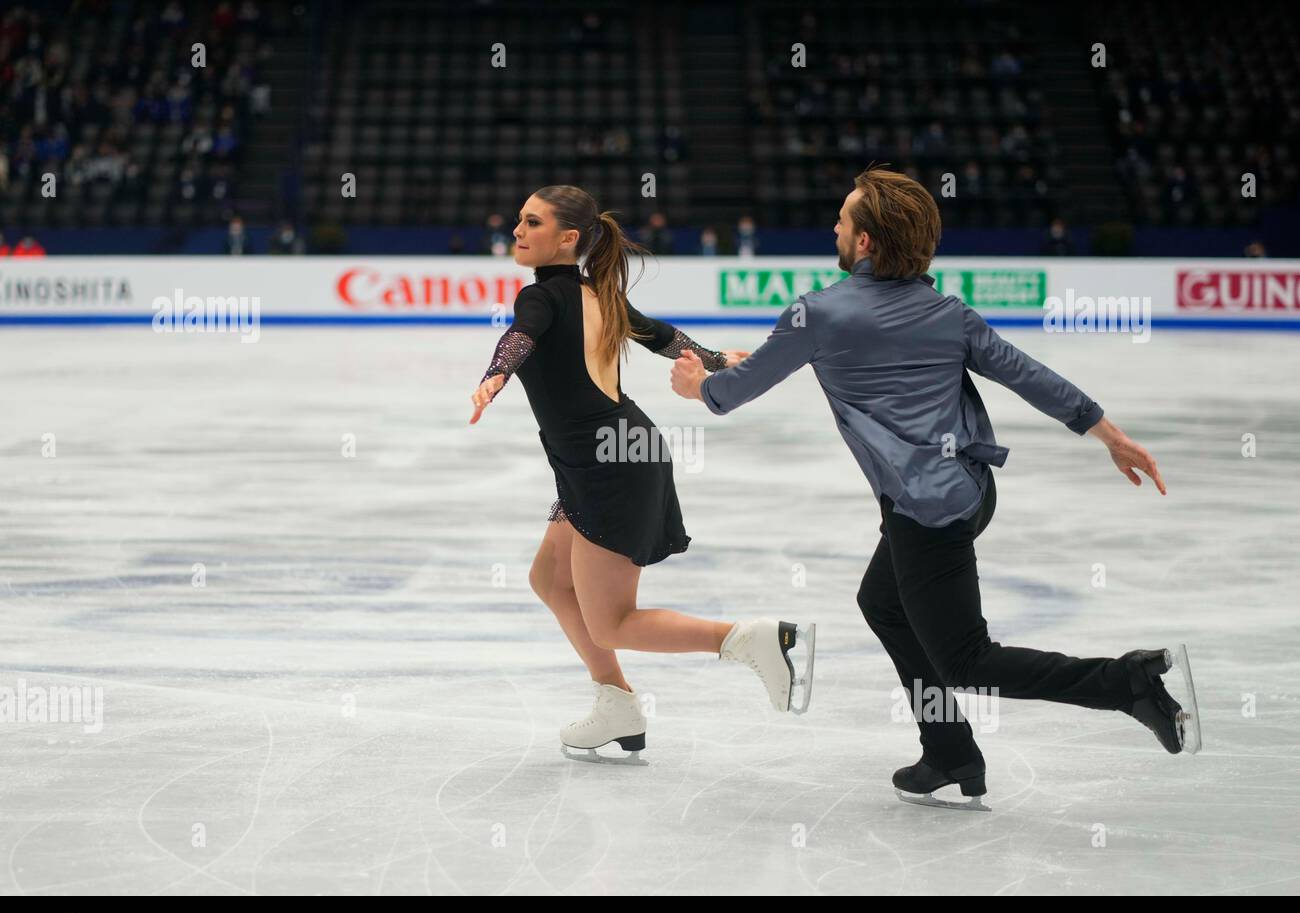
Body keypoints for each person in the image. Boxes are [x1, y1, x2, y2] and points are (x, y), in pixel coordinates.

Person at [670, 167, 1196, 808]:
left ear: (864, 243)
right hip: (970, 492)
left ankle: (1125, 683)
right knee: (882, 602)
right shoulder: (947, 313)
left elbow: (728, 398)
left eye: (844, 218)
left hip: (926, 511)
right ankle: (949, 752)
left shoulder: (821, 312)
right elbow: (1027, 374)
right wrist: (1109, 433)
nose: (834, 226)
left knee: (966, 661)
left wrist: (698, 383)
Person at [469, 185, 815, 763]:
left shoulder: (543, 299)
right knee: (551, 580)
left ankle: (751, 641)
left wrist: (495, 375)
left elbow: (520, 338)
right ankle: (617, 704)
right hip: (606, 458)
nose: (518, 231)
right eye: (518, 221)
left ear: (568, 238)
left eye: (532, 222)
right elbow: (663, 337)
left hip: (611, 465)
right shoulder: (592, 292)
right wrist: (713, 358)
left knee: (612, 622)